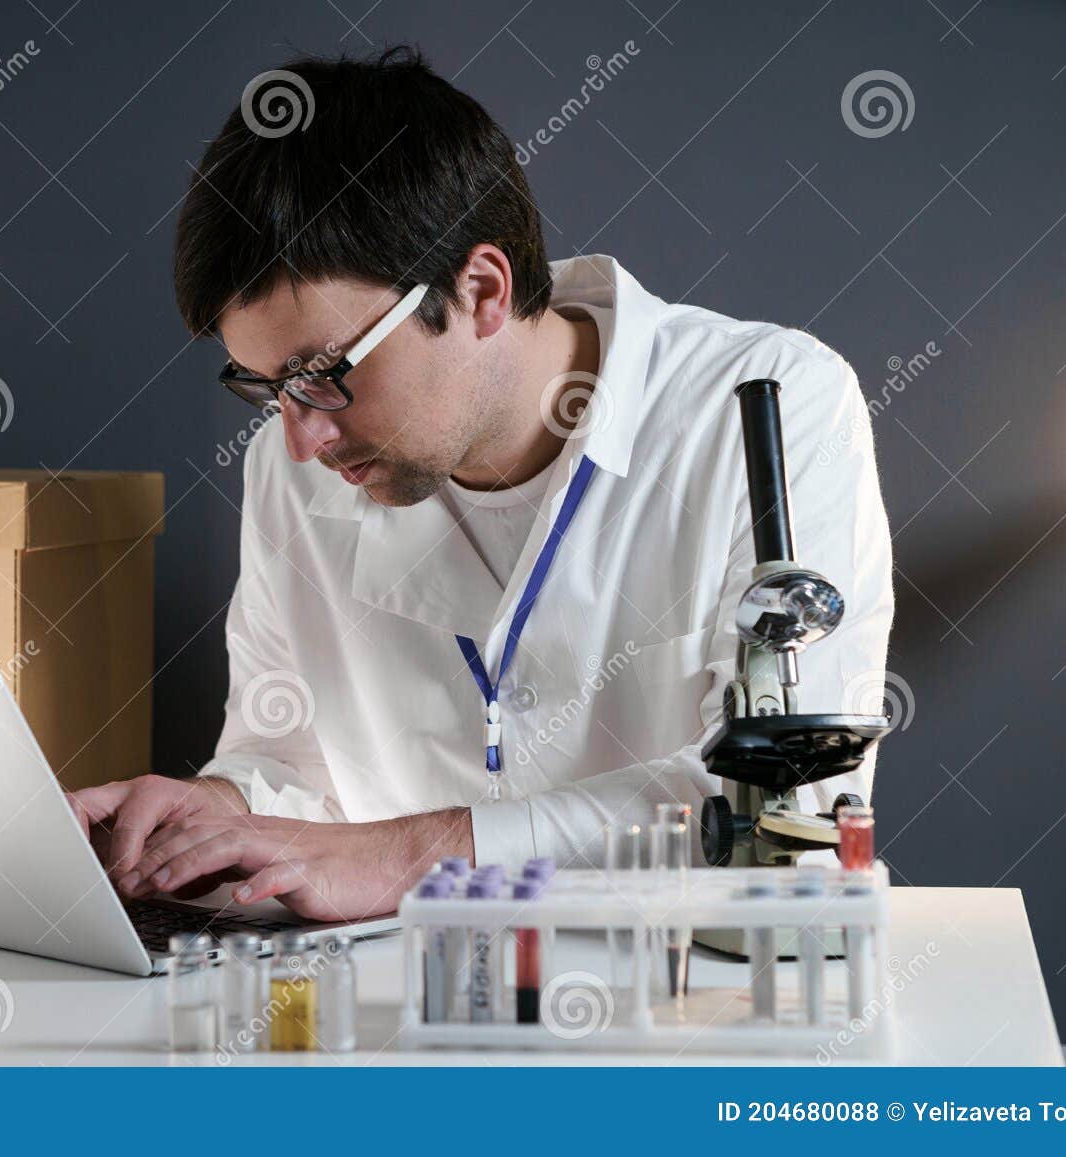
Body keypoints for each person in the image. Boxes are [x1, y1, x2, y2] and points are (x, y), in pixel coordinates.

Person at [67, 47, 893, 922]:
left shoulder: (770, 403)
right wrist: (225, 810)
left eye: (321, 370)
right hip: (414, 1012)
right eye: (266, 386)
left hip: (693, 1007)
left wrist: (412, 856)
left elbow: (790, 801)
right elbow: (291, 760)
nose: (300, 438)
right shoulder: (291, 461)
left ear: (482, 288)